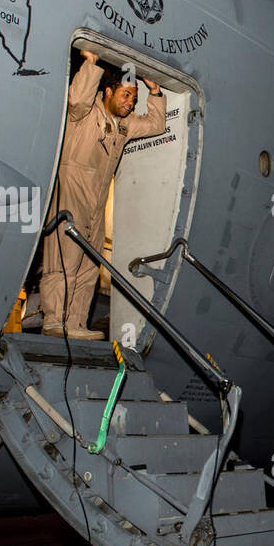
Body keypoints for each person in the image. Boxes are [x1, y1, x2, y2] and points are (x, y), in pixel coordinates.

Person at [40, 50, 166, 339]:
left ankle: (75, 324)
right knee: (65, 258)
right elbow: (76, 99)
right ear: (108, 91)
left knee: (88, 263)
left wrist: (155, 92)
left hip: (97, 199)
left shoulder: (125, 123)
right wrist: (91, 63)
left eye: (134, 98)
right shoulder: (84, 114)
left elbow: (156, 125)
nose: (130, 102)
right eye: (125, 95)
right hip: (72, 189)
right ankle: (53, 320)